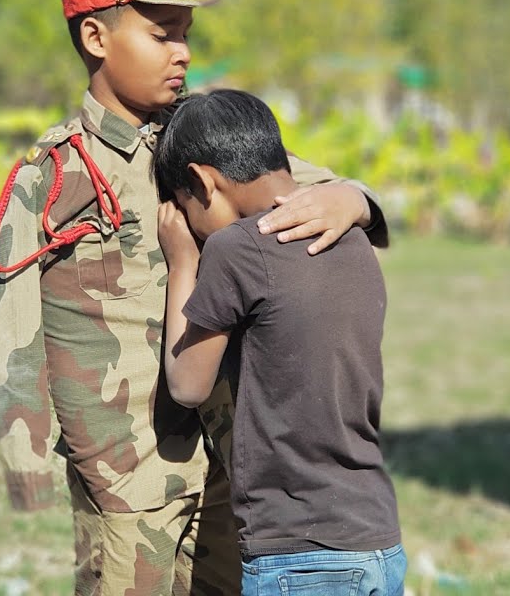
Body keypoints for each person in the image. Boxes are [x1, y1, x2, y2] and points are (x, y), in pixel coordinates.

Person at [0, 0, 389, 596]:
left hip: (227, 457)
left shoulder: (200, 137)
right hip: (123, 466)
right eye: (161, 32)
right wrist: (24, 458)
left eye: (186, 34)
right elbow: (6, 326)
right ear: (96, 38)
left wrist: (356, 200)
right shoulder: (53, 176)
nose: (182, 53)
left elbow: (298, 184)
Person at [153, 89, 406, 596]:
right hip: (377, 539)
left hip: (297, 550)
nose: (189, 224)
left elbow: (187, 384)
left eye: (184, 205)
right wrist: (354, 198)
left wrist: (183, 261)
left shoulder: (233, 249)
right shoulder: (354, 239)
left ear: (202, 182)